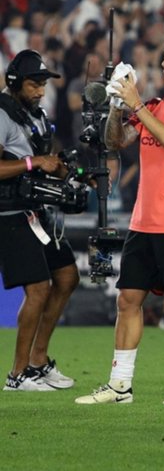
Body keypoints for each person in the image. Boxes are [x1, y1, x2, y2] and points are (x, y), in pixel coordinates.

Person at [76, 33, 164, 405]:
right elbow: (116, 141)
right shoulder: (154, 105)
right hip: (144, 221)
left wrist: (136, 104)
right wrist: (115, 105)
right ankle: (120, 385)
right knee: (127, 300)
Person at [0, 50, 78, 392]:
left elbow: (47, 160)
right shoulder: (2, 114)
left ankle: (38, 362)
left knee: (67, 276)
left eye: (43, 84)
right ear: (15, 83)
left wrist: (67, 170)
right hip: (9, 213)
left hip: (35, 210)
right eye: (34, 84)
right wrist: (35, 163)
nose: (40, 91)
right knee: (37, 290)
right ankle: (17, 376)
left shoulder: (36, 114)